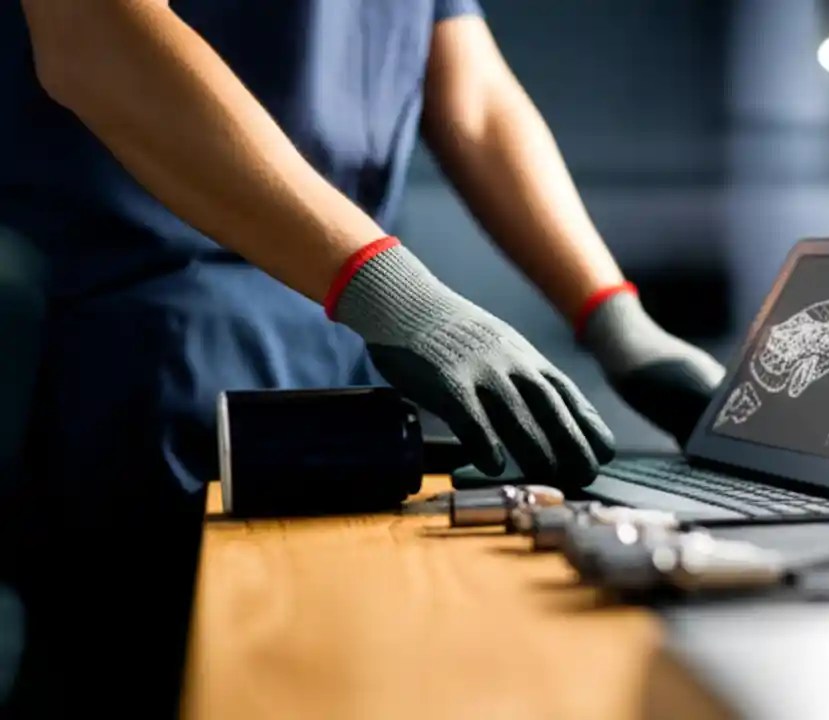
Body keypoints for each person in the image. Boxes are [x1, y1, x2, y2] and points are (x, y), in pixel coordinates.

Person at [5, 0, 725, 520]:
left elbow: (471, 97)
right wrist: (397, 295)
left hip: (343, 335)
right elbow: (92, 35)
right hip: (140, 342)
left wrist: (616, 320)